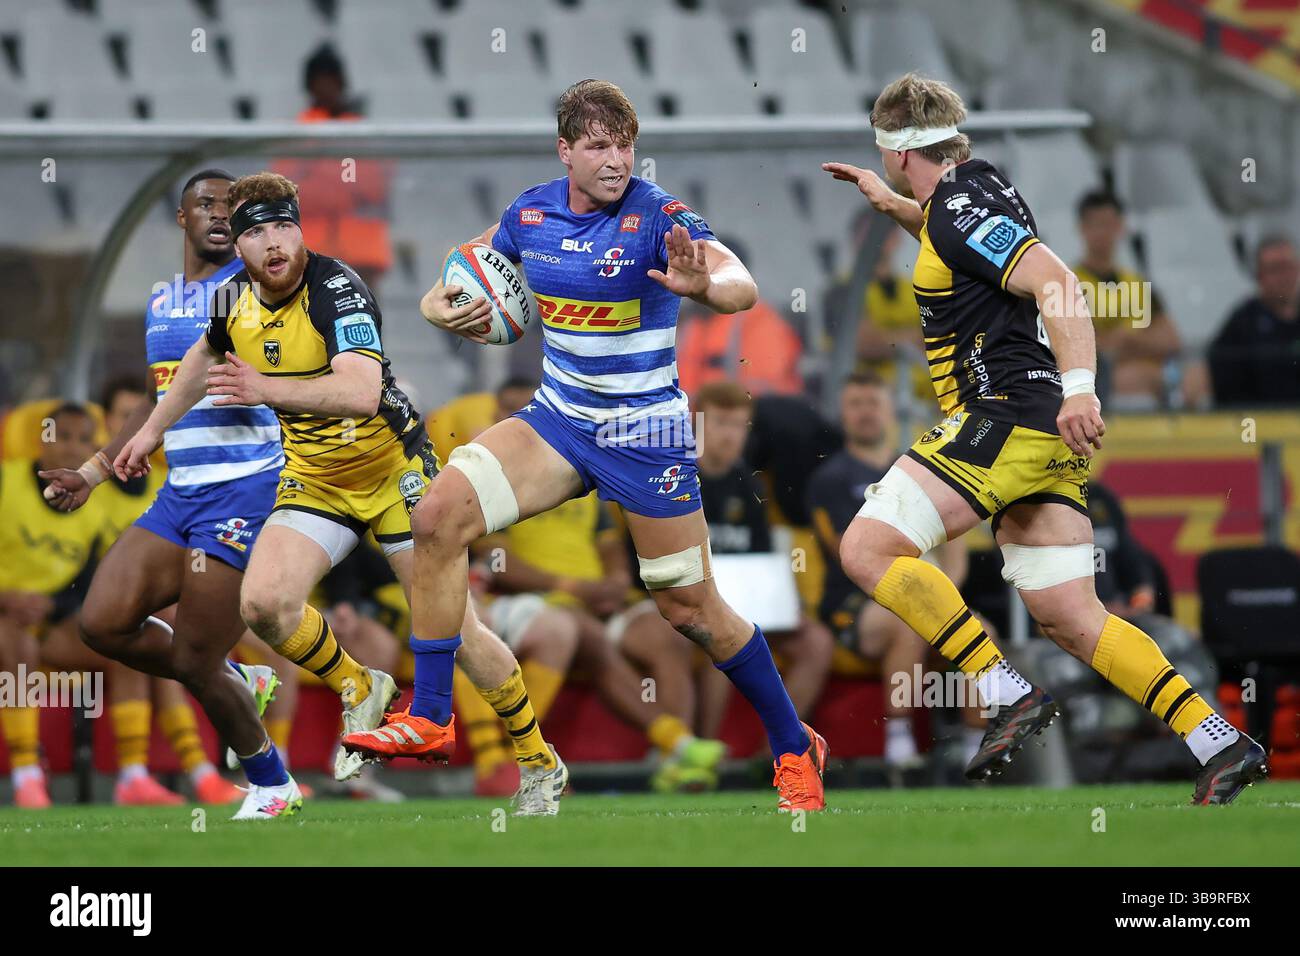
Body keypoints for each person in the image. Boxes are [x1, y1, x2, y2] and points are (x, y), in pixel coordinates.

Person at [822, 72, 1266, 804]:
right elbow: (967, 259)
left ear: (897, 149)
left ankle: (1002, 692)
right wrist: (898, 208)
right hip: (1033, 429)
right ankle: (1217, 741)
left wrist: (1082, 387)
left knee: (867, 548)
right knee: (1071, 615)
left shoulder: (959, 207)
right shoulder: (971, 193)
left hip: (1005, 414)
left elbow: (1059, 284)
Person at [404, 78, 828, 812]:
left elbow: (740, 282)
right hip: (560, 421)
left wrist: (707, 285)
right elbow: (466, 266)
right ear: (565, 150)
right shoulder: (528, 212)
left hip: (645, 434)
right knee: (437, 519)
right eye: (599, 145)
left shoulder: (657, 215)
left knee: (691, 610)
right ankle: (432, 717)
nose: (616, 160)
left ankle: (795, 745)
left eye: (625, 144)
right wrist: (432, 303)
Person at [114, 171, 565, 817]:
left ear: (300, 229)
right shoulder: (228, 300)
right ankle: (361, 684)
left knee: (459, 634)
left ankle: (537, 761)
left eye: (282, 225)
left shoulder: (336, 287)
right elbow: (200, 358)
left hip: (393, 471)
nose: (272, 242)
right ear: (237, 248)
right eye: (255, 231)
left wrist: (264, 389)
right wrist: (153, 430)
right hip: (317, 478)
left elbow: (358, 391)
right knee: (265, 605)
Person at [40, 171, 287, 820]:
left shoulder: (256, 291)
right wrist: (93, 473)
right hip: (181, 494)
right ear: (182, 218)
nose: (217, 216)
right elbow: (160, 399)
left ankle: (273, 784)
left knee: (193, 657)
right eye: (205, 204)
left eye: (232, 209)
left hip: (243, 491)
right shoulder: (162, 301)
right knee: (101, 622)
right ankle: (238, 679)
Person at [807, 371, 986, 769]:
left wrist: (941, 593)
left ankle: (978, 746)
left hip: (922, 597)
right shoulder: (830, 479)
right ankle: (899, 741)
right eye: (856, 404)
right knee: (905, 621)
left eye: (873, 403)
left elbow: (953, 546)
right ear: (842, 413)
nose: (865, 413)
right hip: (856, 605)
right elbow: (850, 557)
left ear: (890, 411)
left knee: (982, 629)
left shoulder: (916, 475)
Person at [691, 381, 833, 734]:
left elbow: (762, 555)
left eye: (740, 426)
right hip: (693, 605)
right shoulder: (674, 478)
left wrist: (784, 603)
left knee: (816, 642)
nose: (731, 435)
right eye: (721, 423)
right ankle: (708, 753)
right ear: (695, 423)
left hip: (744, 603)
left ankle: (779, 753)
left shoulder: (749, 483)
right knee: (721, 633)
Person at [1071, 191, 1184, 407]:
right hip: (1100, 383)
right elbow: (1079, 347)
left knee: (1191, 378)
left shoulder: (1137, 283)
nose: (1102, 232)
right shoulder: (1069, 283)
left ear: (1120, 227)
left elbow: (1171, 341)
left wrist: (1129, 341)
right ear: (1082, 229)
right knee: (1130, 380)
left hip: (1141, 372)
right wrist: (1133, 342)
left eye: (1108, 224)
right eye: (1095, 224)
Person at [1207, 234, 1300, 406]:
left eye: (1288, 267)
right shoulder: (1242, 324)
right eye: (1275, 269)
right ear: (1259, 276)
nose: (1283, 276)